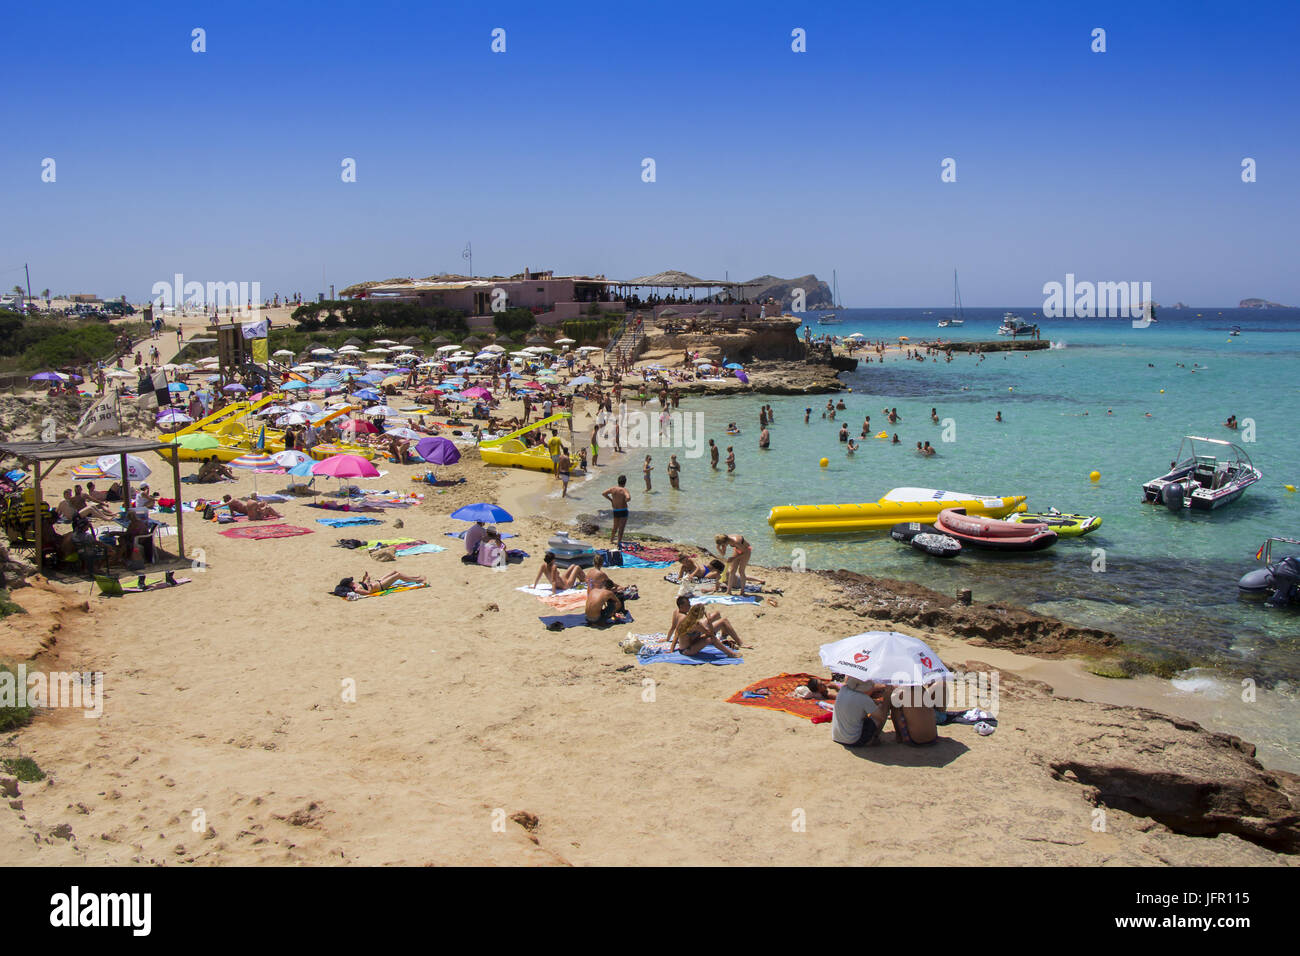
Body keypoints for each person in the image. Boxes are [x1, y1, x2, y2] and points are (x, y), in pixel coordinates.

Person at [667, 595, 740, 657]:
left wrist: (671, 650)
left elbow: (676, 633)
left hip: (684, 648)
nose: (690, 606)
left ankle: (729, 645)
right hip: (687, 650)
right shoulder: (696, 624)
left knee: (710, 632)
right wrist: (709, 620)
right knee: (711, 638)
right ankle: (731, 654)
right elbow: (711, 634)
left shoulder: (687, 620)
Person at [830, 677, 893, 747]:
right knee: (879, 714)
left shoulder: (843, 690)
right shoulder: (863, 698)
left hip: (837, 737)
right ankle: (872, 739)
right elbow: (881, 717)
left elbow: (856, 702)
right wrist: (886, 699)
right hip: (853, 741)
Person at [603, 475, 631, 549]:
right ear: (625, 482)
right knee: (621, 527)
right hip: (623, 510)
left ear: (618, 481)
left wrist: (611, 500)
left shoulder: (613, 489)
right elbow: (628, 497)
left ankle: (611, 540)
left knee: (615, 526)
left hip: (616, 510)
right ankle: (619, 541)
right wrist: (625, 500)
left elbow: (604, 493)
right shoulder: (624, 490)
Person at [353, 571, 427, 595]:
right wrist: (368, 582)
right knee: (398, 575)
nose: (353, 582)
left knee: (394, 572)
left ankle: (415, 578)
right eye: (351, 582)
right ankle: (417, 580)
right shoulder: (356, 590)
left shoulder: (356, 585)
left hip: (378, 581)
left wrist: (365, 578)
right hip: (381, 586)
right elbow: (369, 591)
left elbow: (363, 583)